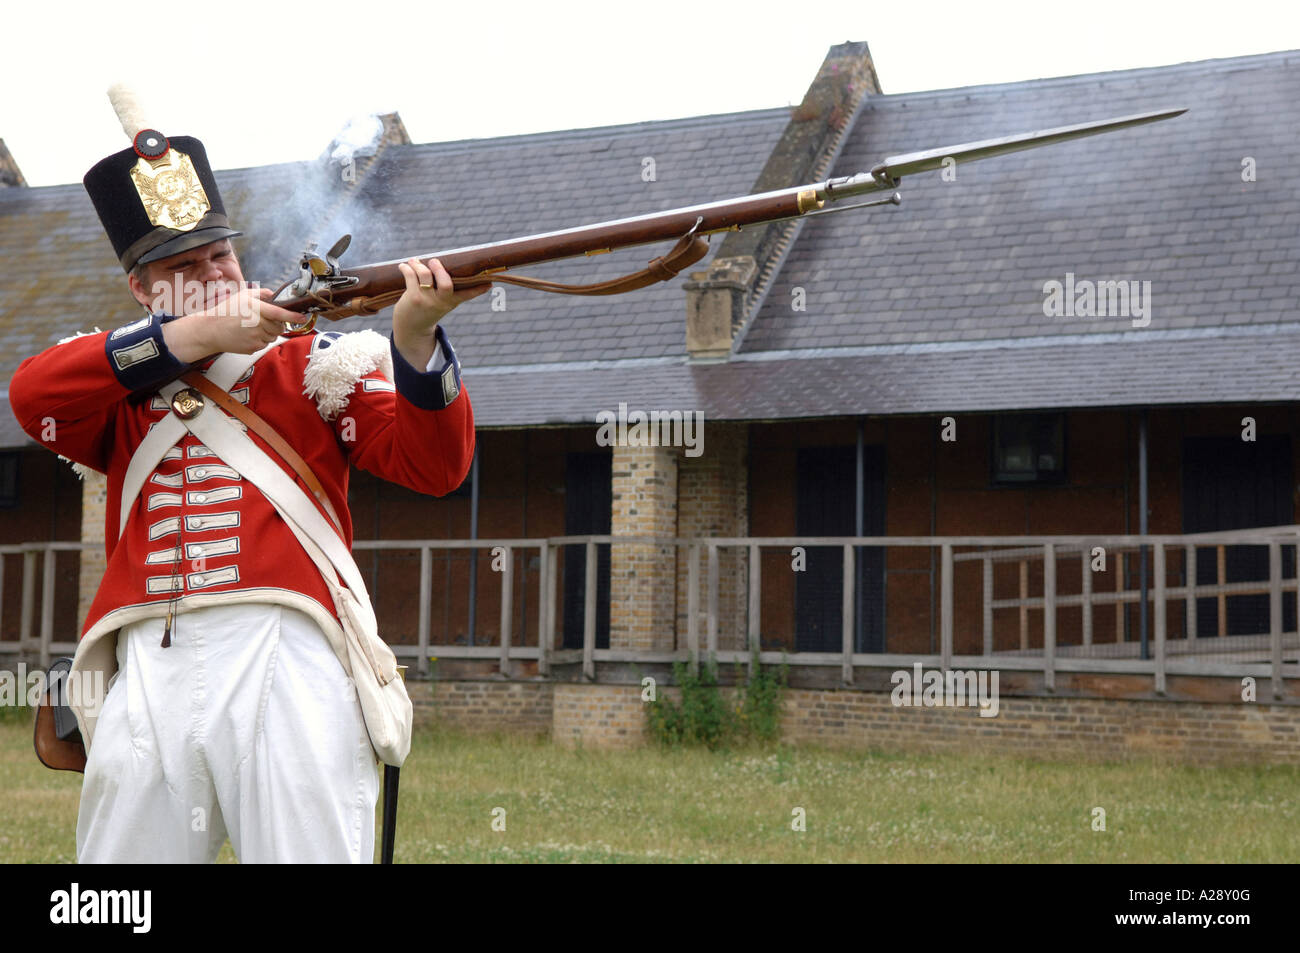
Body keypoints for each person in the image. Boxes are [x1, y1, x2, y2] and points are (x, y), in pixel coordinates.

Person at [8, 126, 486, 863]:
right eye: (182, 265)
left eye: (218, 254)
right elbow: (31, 391)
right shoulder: (120, 387)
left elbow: (436, 466)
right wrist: (197, 333)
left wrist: (416, 343)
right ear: (142, 289)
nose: (212, 272)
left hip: (287, 649)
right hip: (147, 658)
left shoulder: (316, 364)